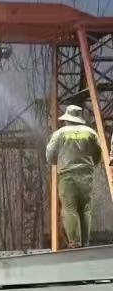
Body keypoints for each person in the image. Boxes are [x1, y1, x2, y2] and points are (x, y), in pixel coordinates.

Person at [46, 104, 102, 248]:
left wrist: (57, 162)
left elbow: (50, 155)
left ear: (67, 119)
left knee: (70, 208)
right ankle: (85, 242)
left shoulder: (60, 134)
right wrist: (91, 166)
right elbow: (98, 154)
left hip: (67, 176)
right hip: (86, 175)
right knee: (85, 208)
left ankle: (75, 242)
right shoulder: (91, 133)